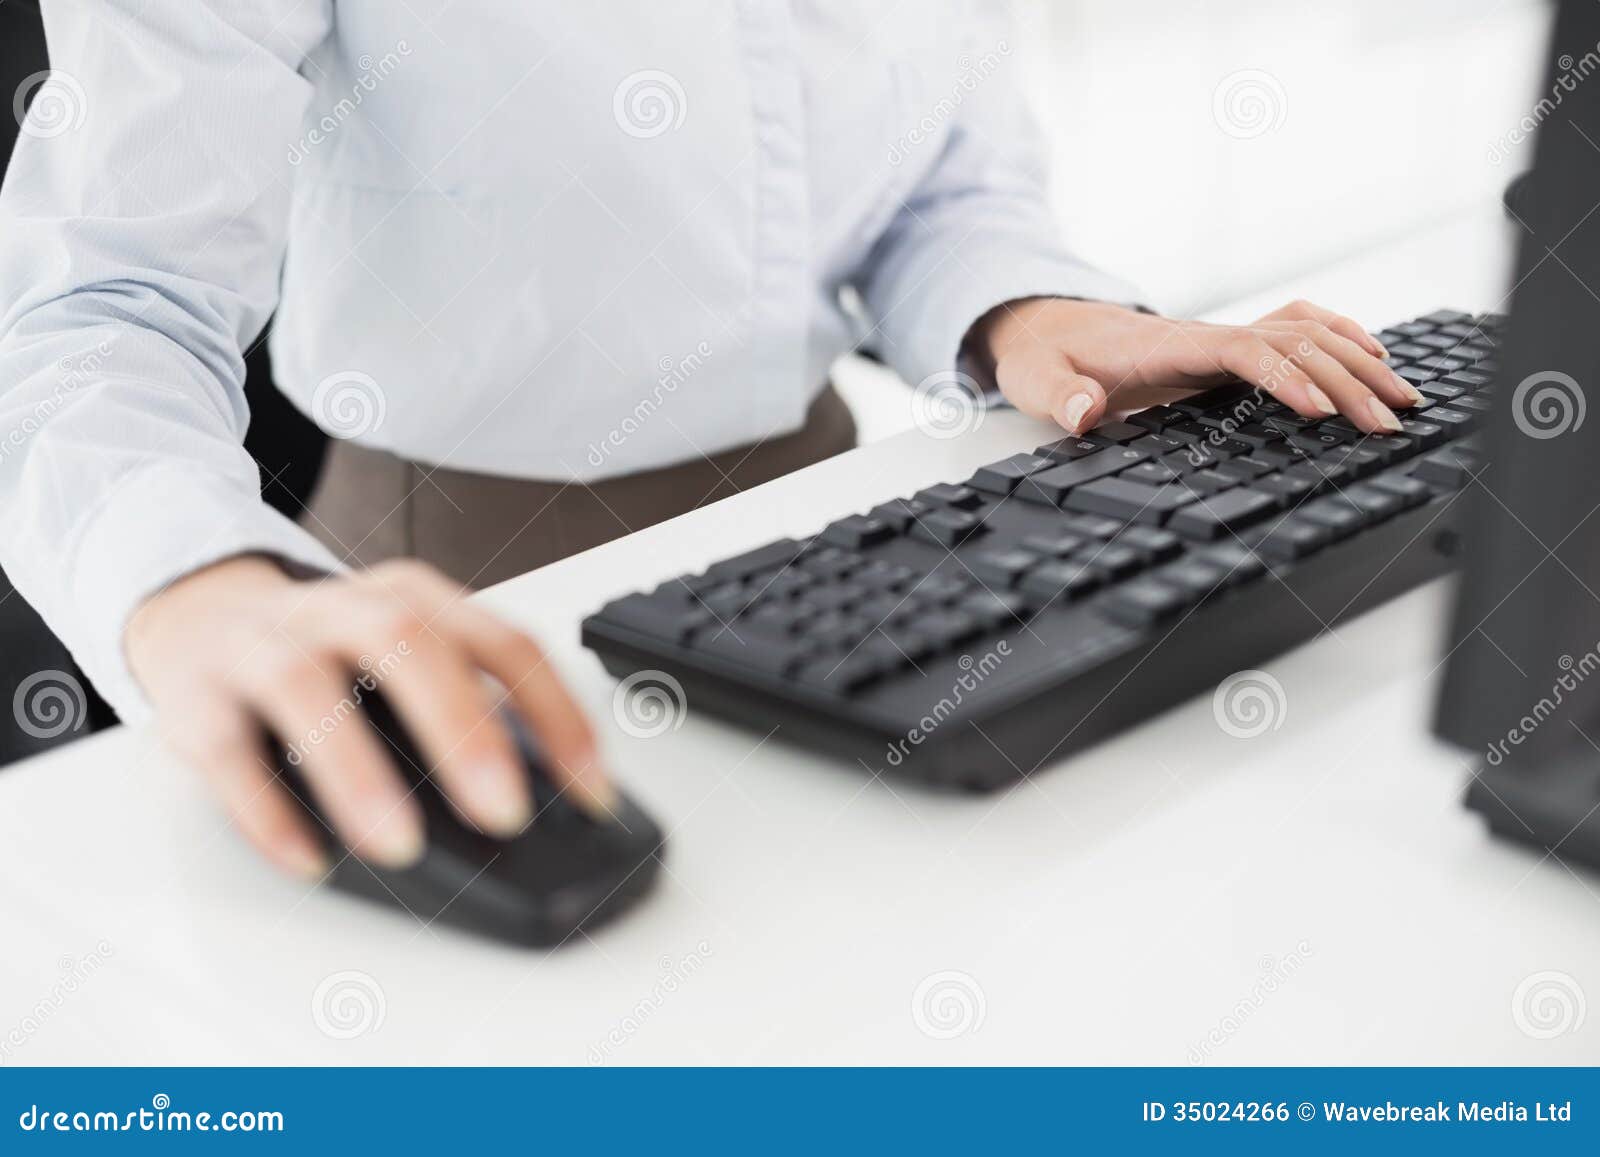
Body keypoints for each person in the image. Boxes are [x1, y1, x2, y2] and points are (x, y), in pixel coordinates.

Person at [0, 2, 1419, 878]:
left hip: (830, 505)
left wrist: (1025, 306)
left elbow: (936, 178)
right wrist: (190, 582)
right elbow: (102, 290)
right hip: (461, 565)